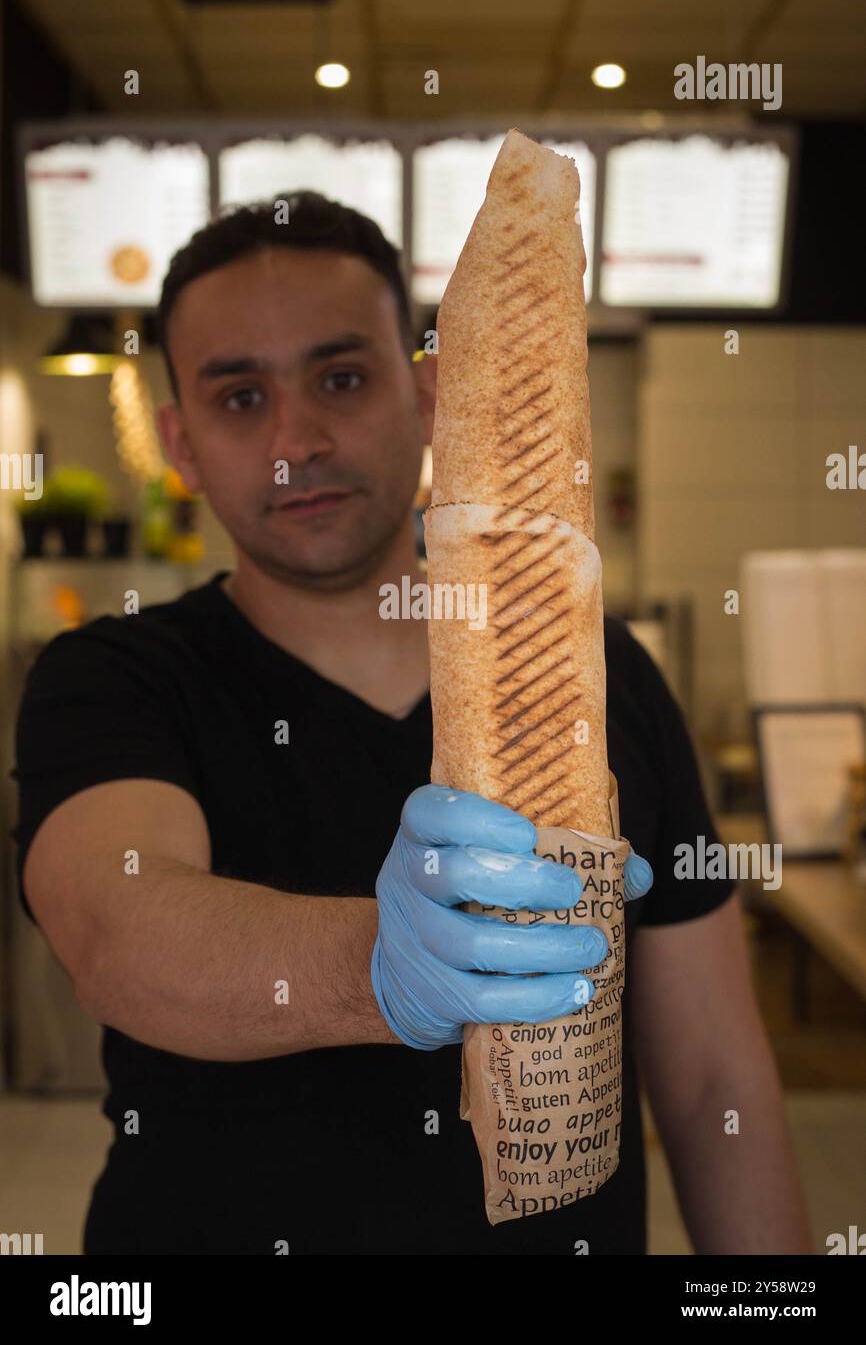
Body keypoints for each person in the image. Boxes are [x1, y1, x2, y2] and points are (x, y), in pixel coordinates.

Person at [12, 193, 811, 1255]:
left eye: (341, 377)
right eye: (239, 396)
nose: (297, 438)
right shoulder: (114, 674)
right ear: (181, 444)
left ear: (428, 392)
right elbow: (115, 931)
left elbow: (714, 1072)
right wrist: (381, 963)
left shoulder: (603, 677)